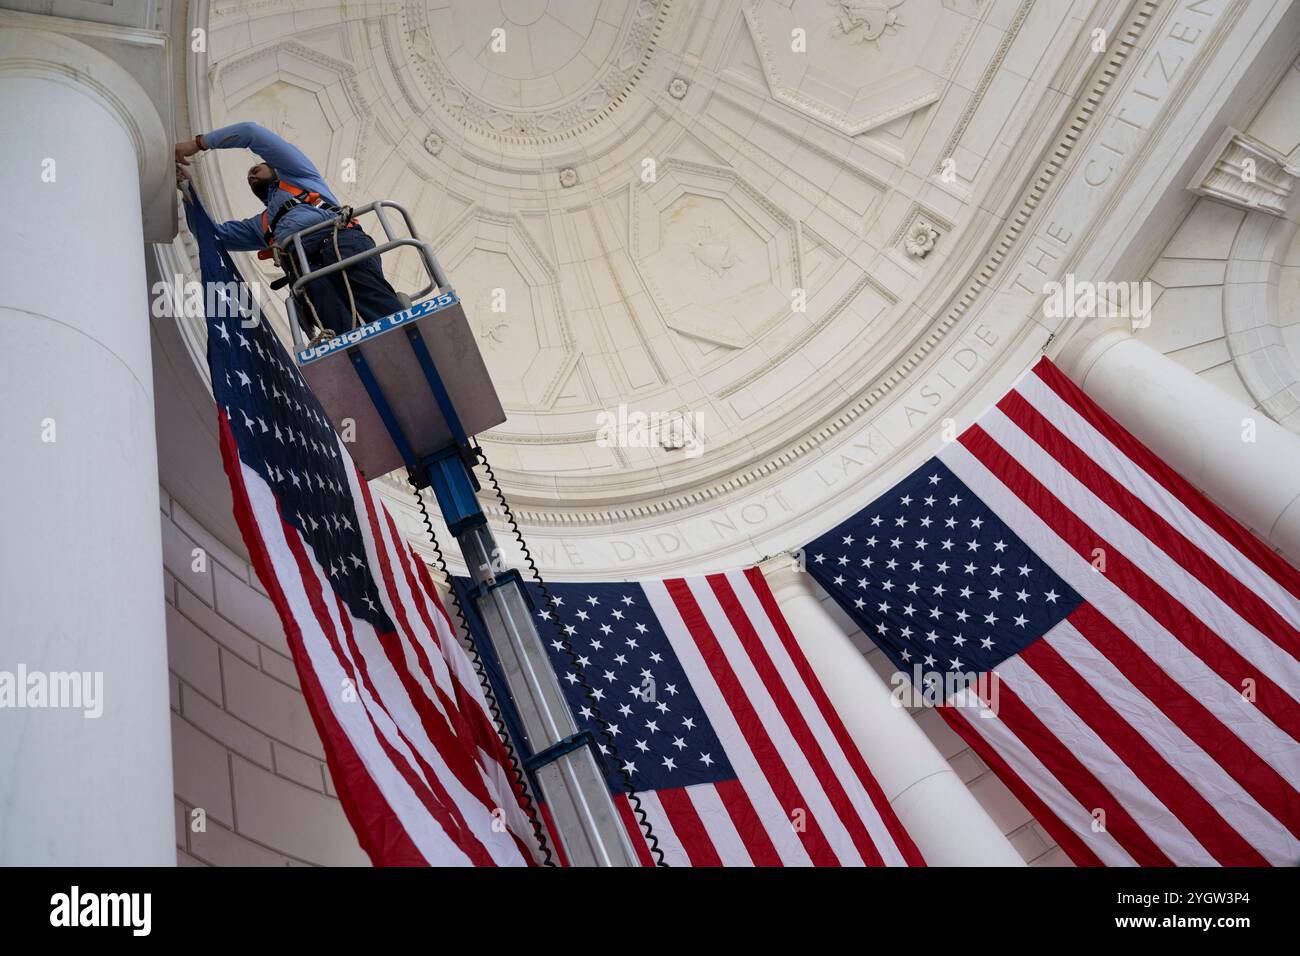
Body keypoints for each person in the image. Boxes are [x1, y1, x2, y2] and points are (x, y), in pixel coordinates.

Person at [174, 123, 406, 344]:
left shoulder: (301, 177)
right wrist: (188, 192)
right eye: (249, 176)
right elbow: (214, 236)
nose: (251, 174)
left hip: (339, 240)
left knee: (368, 294)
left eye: (258, 167)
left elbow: (250, 132)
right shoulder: (263, 224)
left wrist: (199, 143)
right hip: (301, 264)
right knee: (331, 318)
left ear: (277, 168)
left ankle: (403, 334)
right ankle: (355, 353)